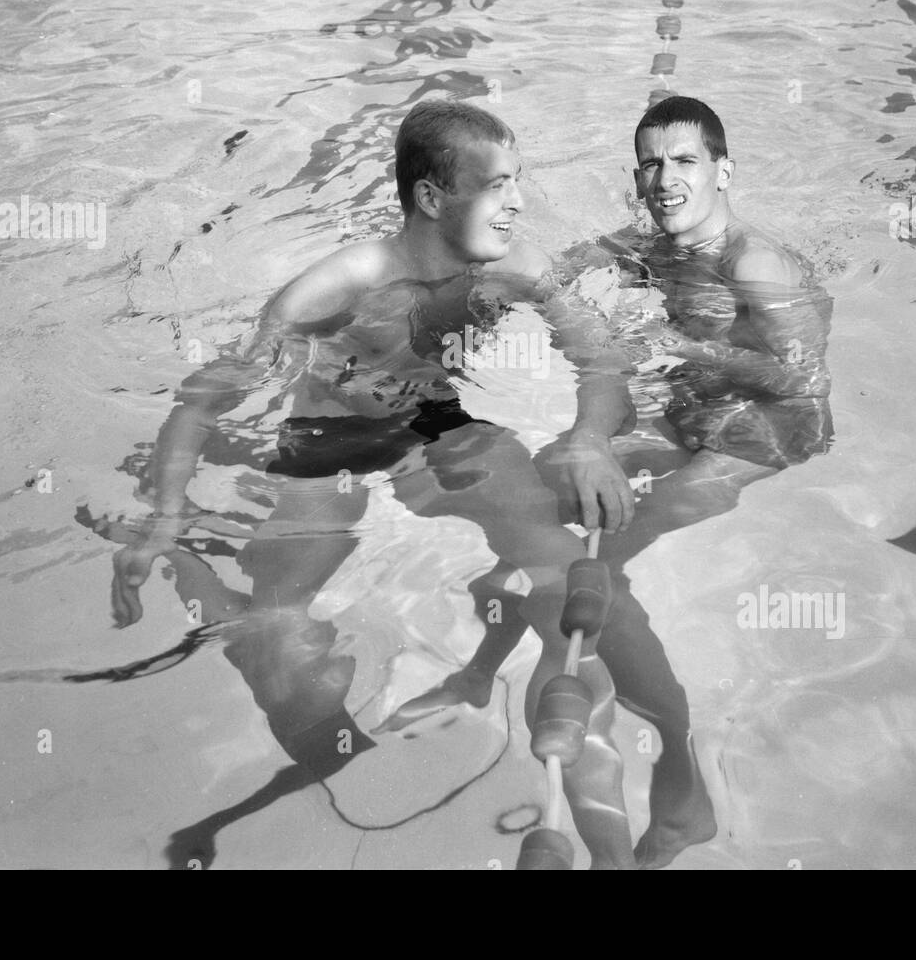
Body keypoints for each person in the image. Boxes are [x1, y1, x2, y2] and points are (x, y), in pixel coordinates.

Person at [106, 99, 648, 869]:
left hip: (435, 423)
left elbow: (603, 358)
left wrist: (589, 436)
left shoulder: (515, 266)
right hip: (330, 440)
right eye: (498, 186)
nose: (520, 201)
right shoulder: (332, 290)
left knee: (564, 570)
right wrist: (164, 514)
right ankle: (218, 595)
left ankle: (605, 837)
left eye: (517, 181)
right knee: (281, 639)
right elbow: (200, 399)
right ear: (432, 198)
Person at [386, 95, 834, 868]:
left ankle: (682, 782)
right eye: (653, 163)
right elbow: (546, 277)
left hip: (764, 434)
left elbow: (802, 385)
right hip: (685, 417)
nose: (666, 179)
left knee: (600, 565)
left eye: (685, 161)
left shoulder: (755, 263)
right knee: (540, 521)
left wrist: (680, 349)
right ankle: (478, 673)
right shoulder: (643, 244)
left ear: (724, 170)